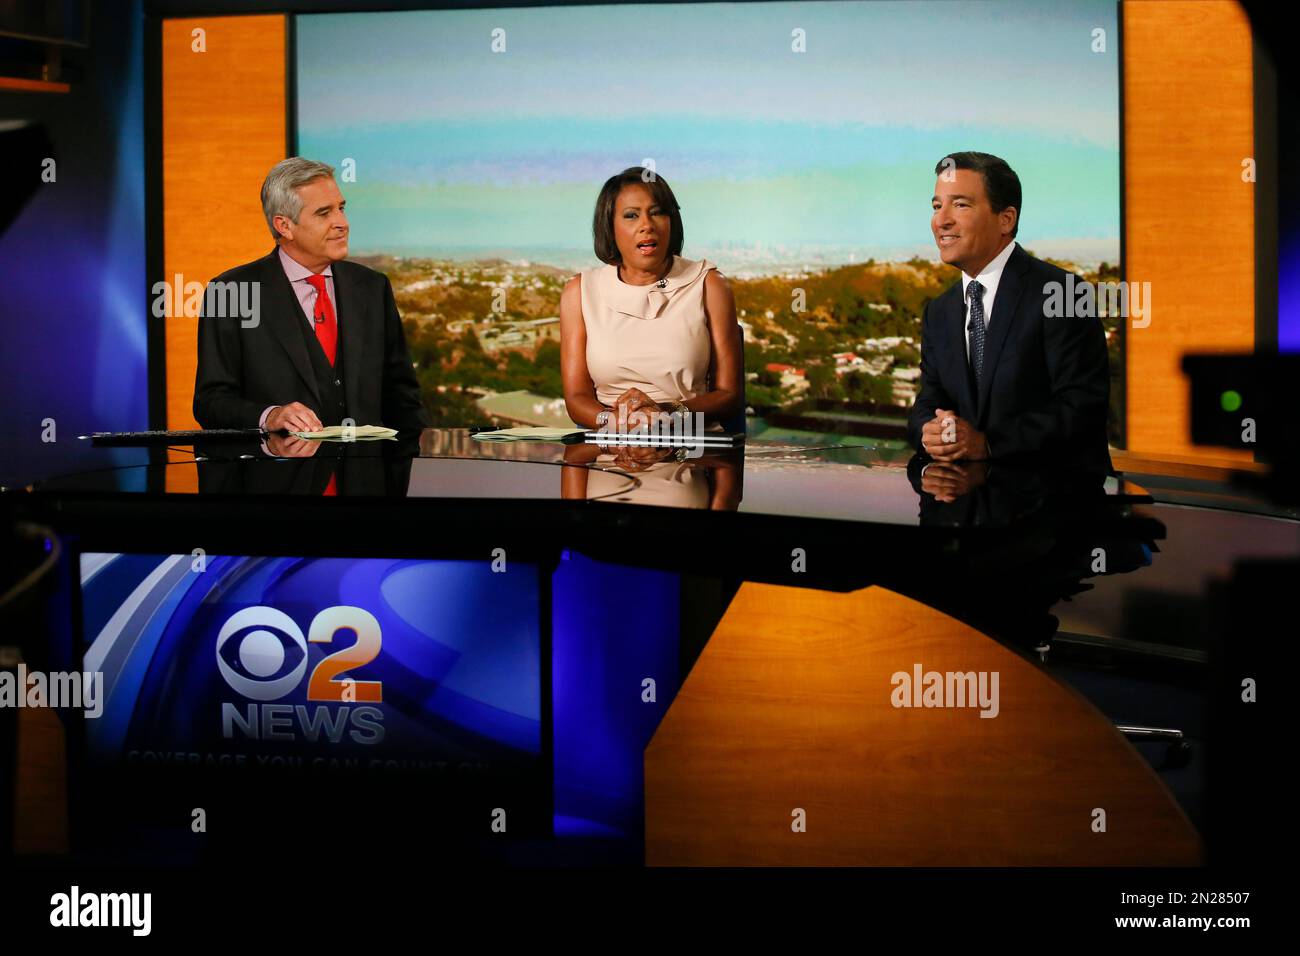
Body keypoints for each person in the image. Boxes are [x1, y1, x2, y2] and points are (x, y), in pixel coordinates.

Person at [907, 151, 1111, 474]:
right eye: (936, 206)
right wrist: (930, 432)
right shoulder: (939, 312)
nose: (941, 220)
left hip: (1054, 509)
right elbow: (928, 403)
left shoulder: (1065, 293)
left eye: (960, 205)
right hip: (961, 509)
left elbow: (1083, 407)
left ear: (1006, 219)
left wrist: (988, 444)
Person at [193, 157, 427, 433]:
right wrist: (270, 416)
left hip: (364, 474)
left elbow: (403, 399)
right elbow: (211, 402)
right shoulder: (232, 293)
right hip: (279, 472)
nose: (342, 223)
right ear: (284, 226)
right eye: (324, 213)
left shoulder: (373, 288)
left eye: (341, 208)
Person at [560, 167, 742, 433]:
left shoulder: (710, 284)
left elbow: (729, 395)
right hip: (610, 446)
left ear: (671, 221)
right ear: (610, 226)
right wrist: (617, 423)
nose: (647, 225)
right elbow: (576, 399)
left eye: (657, 212)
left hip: (689, 447)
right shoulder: (579, 292)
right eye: (631, 216)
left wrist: (667, 414)